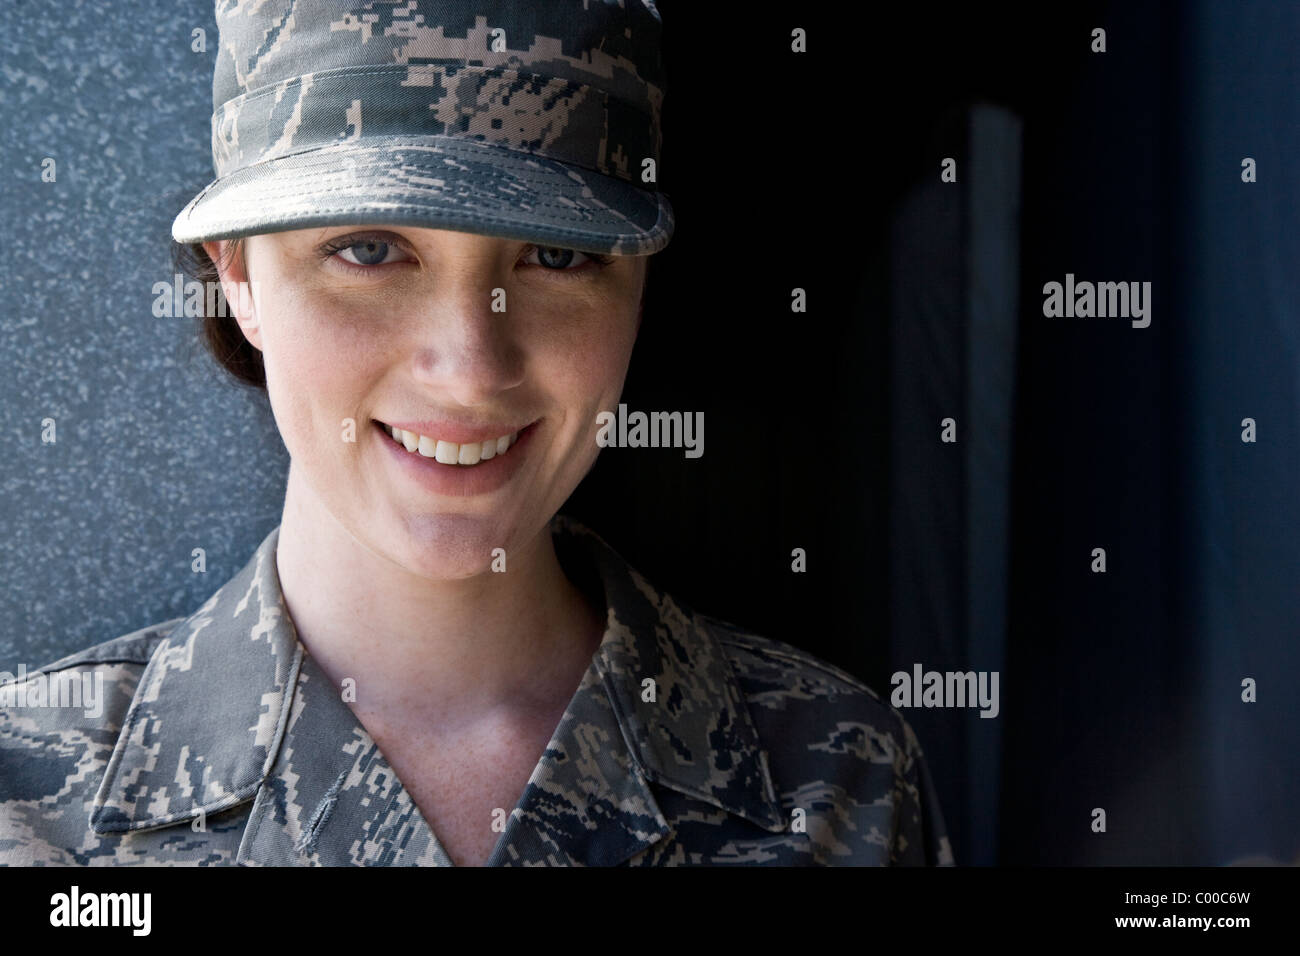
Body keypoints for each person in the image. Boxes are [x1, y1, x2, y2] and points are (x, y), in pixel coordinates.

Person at [0, 0, 954, 867]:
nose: (470, 367)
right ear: (238, 276)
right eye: (369, 249)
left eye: (557, 254)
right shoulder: (32, 805)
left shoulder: (835, 785)